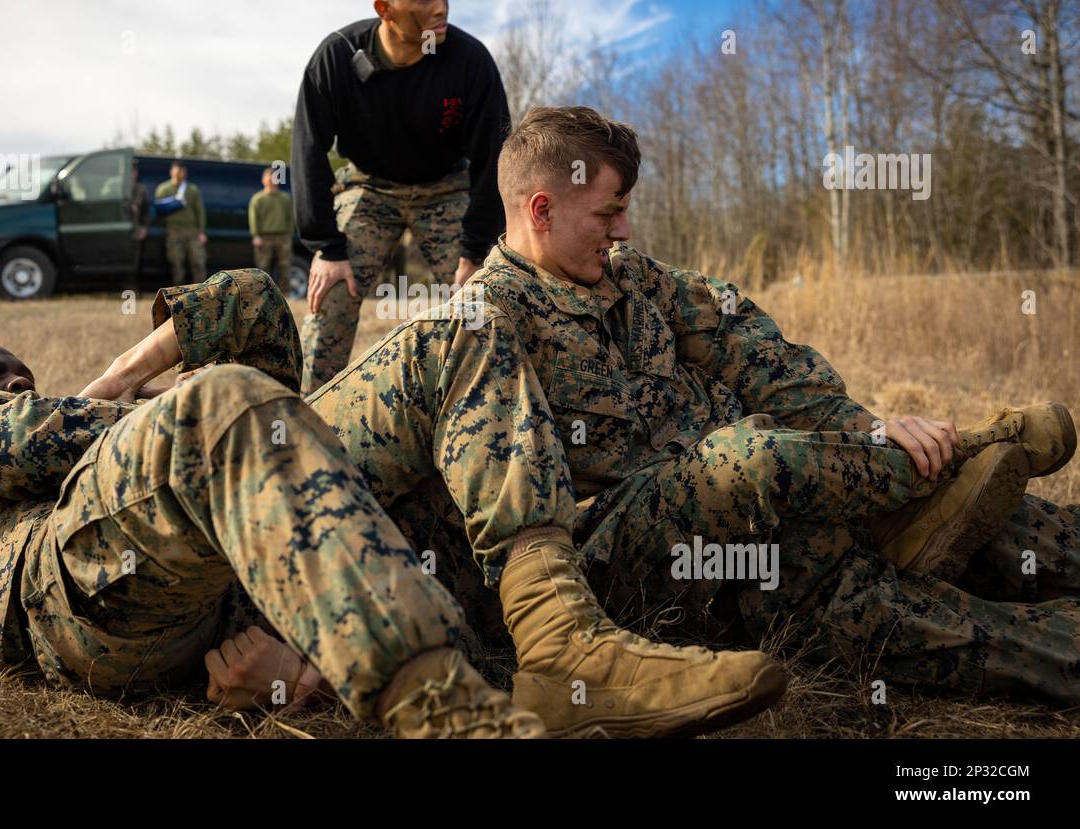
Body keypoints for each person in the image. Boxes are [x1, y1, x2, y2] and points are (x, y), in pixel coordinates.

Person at [303, 105, 1080, 713]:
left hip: (770, 511)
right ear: (540, 209)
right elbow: (364, 493)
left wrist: (868, 428)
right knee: (759, 463)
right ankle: (934, 475)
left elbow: (754, 351)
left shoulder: (636, 277)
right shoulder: (480, 328)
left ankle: (922, 506)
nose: (624, 229)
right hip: (625, 557)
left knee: (971, 530)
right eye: (607, 212)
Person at [0, 269, 543, 738]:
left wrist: (118, 382)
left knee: (452, 334)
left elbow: (253, 307)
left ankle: (553, 631)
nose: (15, 378)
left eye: (20, 371)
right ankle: (451, 711)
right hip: (73, 590)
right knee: (222, 401)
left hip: (227, 570)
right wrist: (185, 406)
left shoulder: (111, 426)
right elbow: (21, 440)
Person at [292, 0, 510, 393]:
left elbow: (494, 158)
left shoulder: (470, 61)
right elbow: (309, 151)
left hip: (447, 187)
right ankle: (309, 413)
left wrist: (475, 251)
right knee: (331, 292)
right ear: (385, 8)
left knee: (486, 297)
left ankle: (490, 409)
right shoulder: (336, 57)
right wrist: (327, 248)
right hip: (371, 188)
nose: (441, 7)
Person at [154, 159, 207, 285]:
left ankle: (201, 294)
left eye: (182, 171)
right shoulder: (163, 189)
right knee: (176, 263)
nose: (179, 174)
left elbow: (200, 211)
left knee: (198, 262)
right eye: (177, 171)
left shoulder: (192, 189)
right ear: (171, 172)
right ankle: (180, 295)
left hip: (192, 231)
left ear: (185, 173)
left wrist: (201, 231)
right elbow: (158, 210)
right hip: (173, 231)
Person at [248, 166, 294, 291]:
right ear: (263, 180)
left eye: (275, 178)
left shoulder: (285, 198)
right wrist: (256, 235)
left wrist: (289, 234)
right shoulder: (258, 199)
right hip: (264, 237)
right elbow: (253, 218)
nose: (272, 181)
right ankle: (262, 294)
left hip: (282, 236)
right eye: (269, 178)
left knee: (285, 266)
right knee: (263, 267)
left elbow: (290, 217)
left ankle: (285, 294)